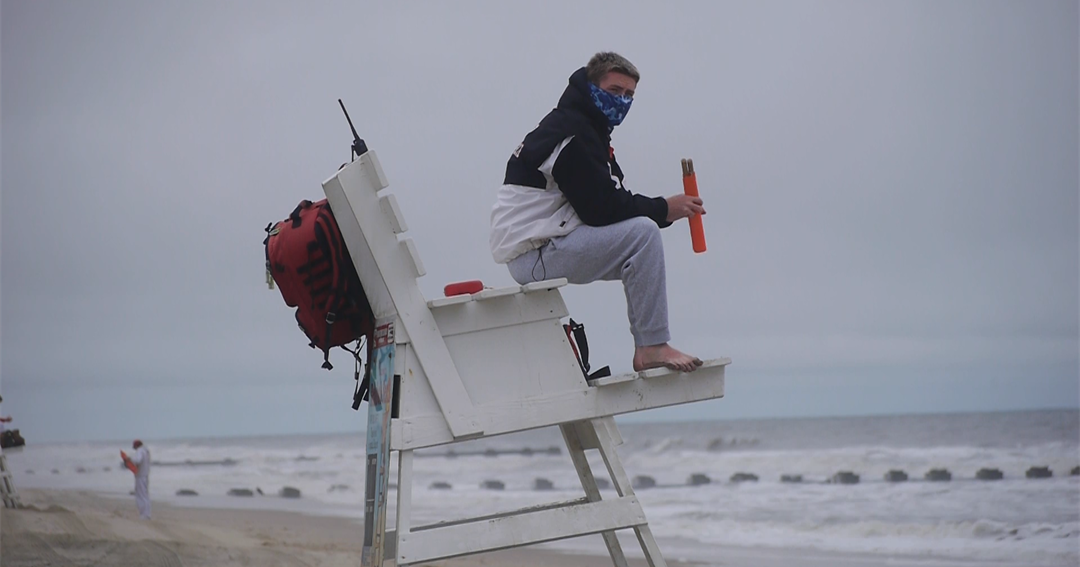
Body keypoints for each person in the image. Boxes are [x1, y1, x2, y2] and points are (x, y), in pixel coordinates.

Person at [490, 52, 705, 373]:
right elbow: (600, 208)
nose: (622, 101)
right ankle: (652, 346)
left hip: (541, 247)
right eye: (615, 91)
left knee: (640, 237)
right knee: (643, 235)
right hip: (533, 254)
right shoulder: (573, 134)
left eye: (629, 95)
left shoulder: (582, 127)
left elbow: (609, 200)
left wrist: (661, 211)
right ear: (591, 87)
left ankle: (651, 344)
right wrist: (664, 209)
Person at [125, 439, 151, 519]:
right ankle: (147, 514)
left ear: (136, 446)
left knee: (140, 495)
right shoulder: (146, 451)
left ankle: (144, 515)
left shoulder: (140, 451)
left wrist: (130, 459)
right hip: (145, 475)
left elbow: (138, 460)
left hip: (140, 476)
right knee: (145, 495)